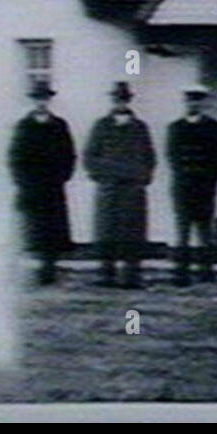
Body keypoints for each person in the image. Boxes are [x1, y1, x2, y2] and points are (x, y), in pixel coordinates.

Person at [84, 81, 156, 289]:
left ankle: (131, 274)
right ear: (112, 101)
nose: (120, 103)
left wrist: (141, 179)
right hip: (109, 189)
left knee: (132, 233)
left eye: (123, 99)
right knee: (107, 231)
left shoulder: (140, 127)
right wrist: (104, 176)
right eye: (117, 99)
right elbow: (90, 157)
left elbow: (149, 157)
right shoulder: (101, 126)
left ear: (129, 101)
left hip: (133, 190)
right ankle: (106, 273)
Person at [7, 81, 76, 286]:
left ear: (50, 101)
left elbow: (69, 155)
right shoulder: (24, 126)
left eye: (45, 99)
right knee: (25, 230)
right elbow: (14, 157)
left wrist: (62, 176)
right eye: (38, 99)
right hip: (30, 188)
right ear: (32, 101)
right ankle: (18, 274)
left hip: (53, 187)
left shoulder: (59, 125)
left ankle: (48, 272)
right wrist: (23, 182)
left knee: (51, 232)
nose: (41, 103)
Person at [166, 84, 217, 286]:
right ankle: (181, 273)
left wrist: (211, 181)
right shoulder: (175, 128)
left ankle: (206, 271)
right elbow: (172, 156)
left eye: (198, 101)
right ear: (186, 103)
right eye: (191, 100)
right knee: (182, 231)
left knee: (205, 231)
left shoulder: (213, 127)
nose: (194, 104)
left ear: (203, 104)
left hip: (204, 186)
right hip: (183, 186)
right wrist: (182, 177)